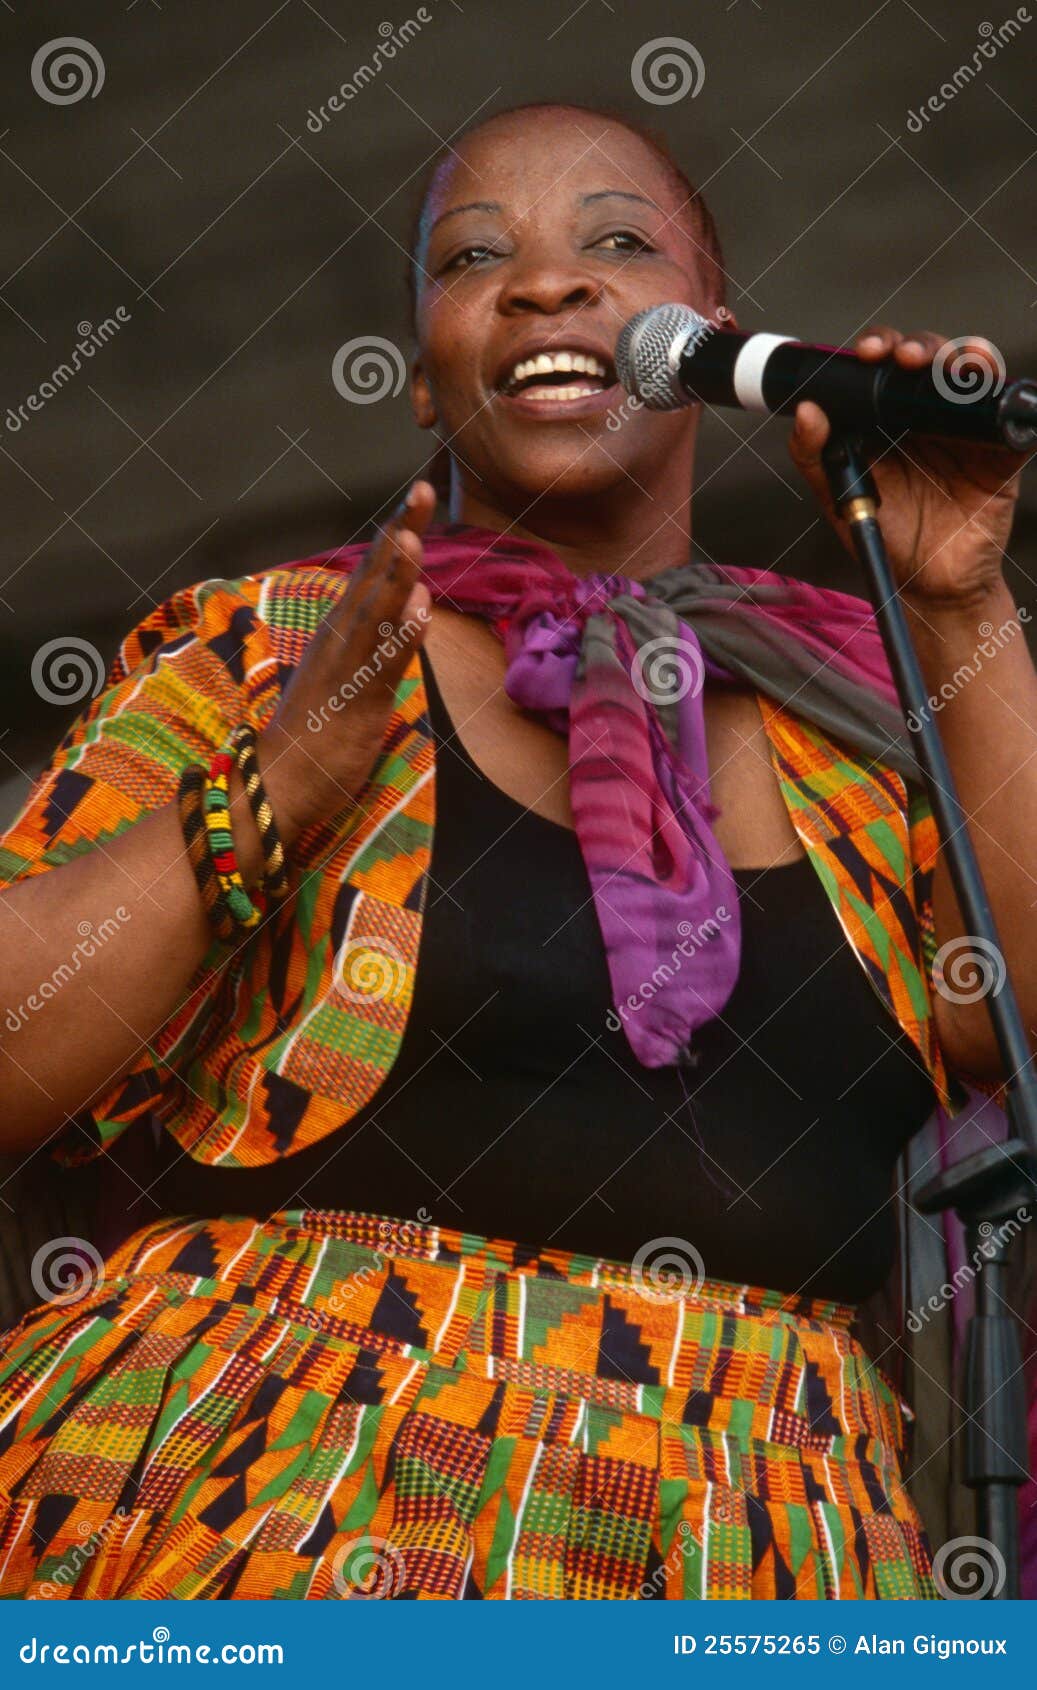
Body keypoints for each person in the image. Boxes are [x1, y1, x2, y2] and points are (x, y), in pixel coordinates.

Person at [0, 101, 1033, 1602]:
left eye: (617, 242)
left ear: (714, 341)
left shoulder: (858, 721)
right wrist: (284, 777)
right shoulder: (277, 650)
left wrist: (957, 604)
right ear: (423, 377)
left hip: (765, 1550)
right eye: (475, 258)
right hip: (289, 1507)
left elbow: (1010, 1019)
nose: (547, 282)